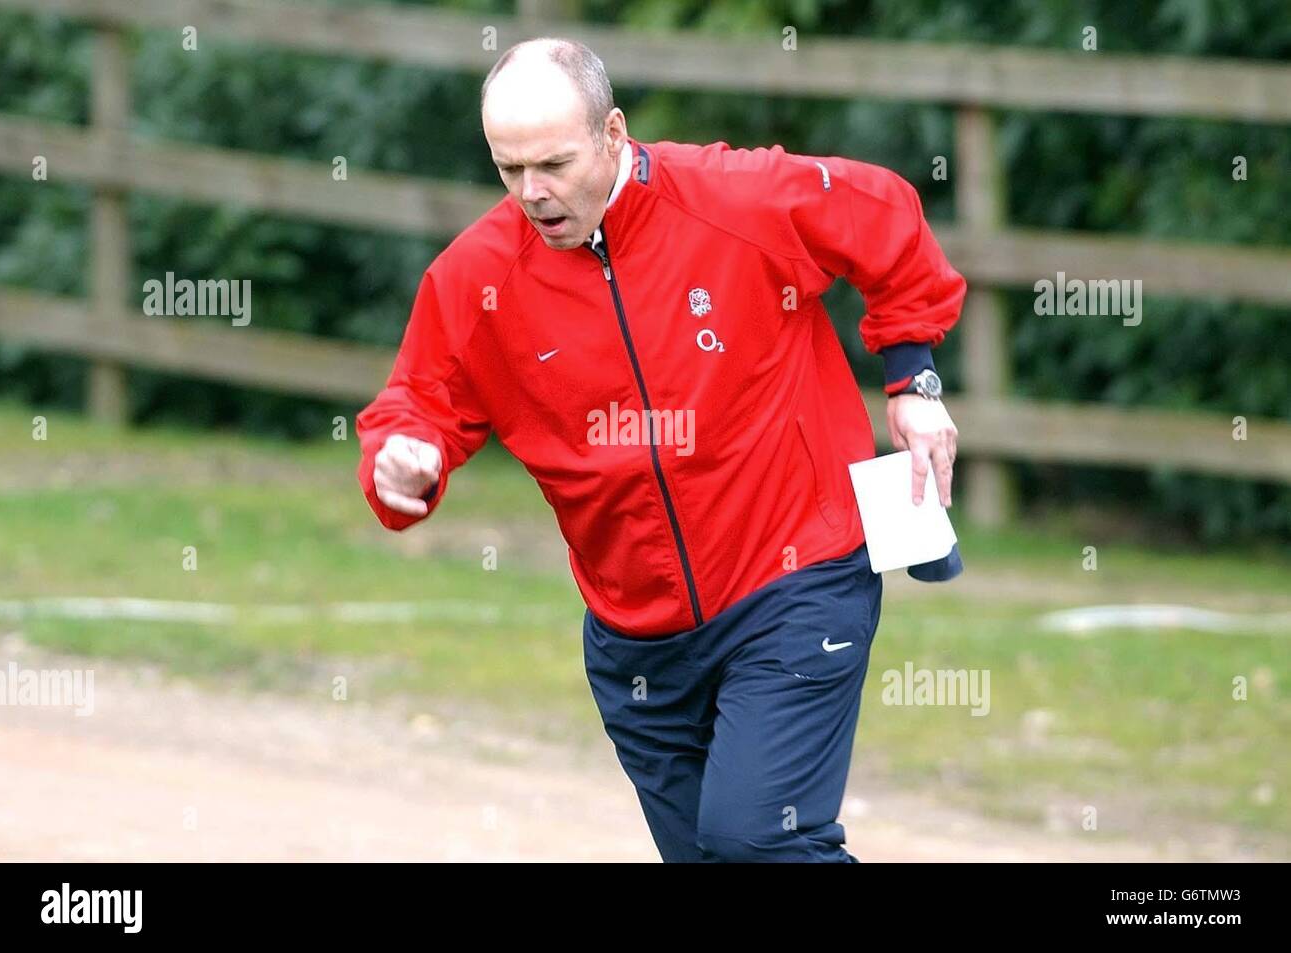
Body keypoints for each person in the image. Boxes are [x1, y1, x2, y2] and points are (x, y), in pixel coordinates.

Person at [356, 36, 965, 862]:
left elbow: (885, 216)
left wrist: (913, 381)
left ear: (613, 134)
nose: (533, 194)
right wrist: (402, 459)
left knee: (754, 844)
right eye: (509, 171)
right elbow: (416, 403)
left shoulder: (732, 197)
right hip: (636, 639)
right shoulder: (477, 280)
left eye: (554, 164)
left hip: (797, 576)